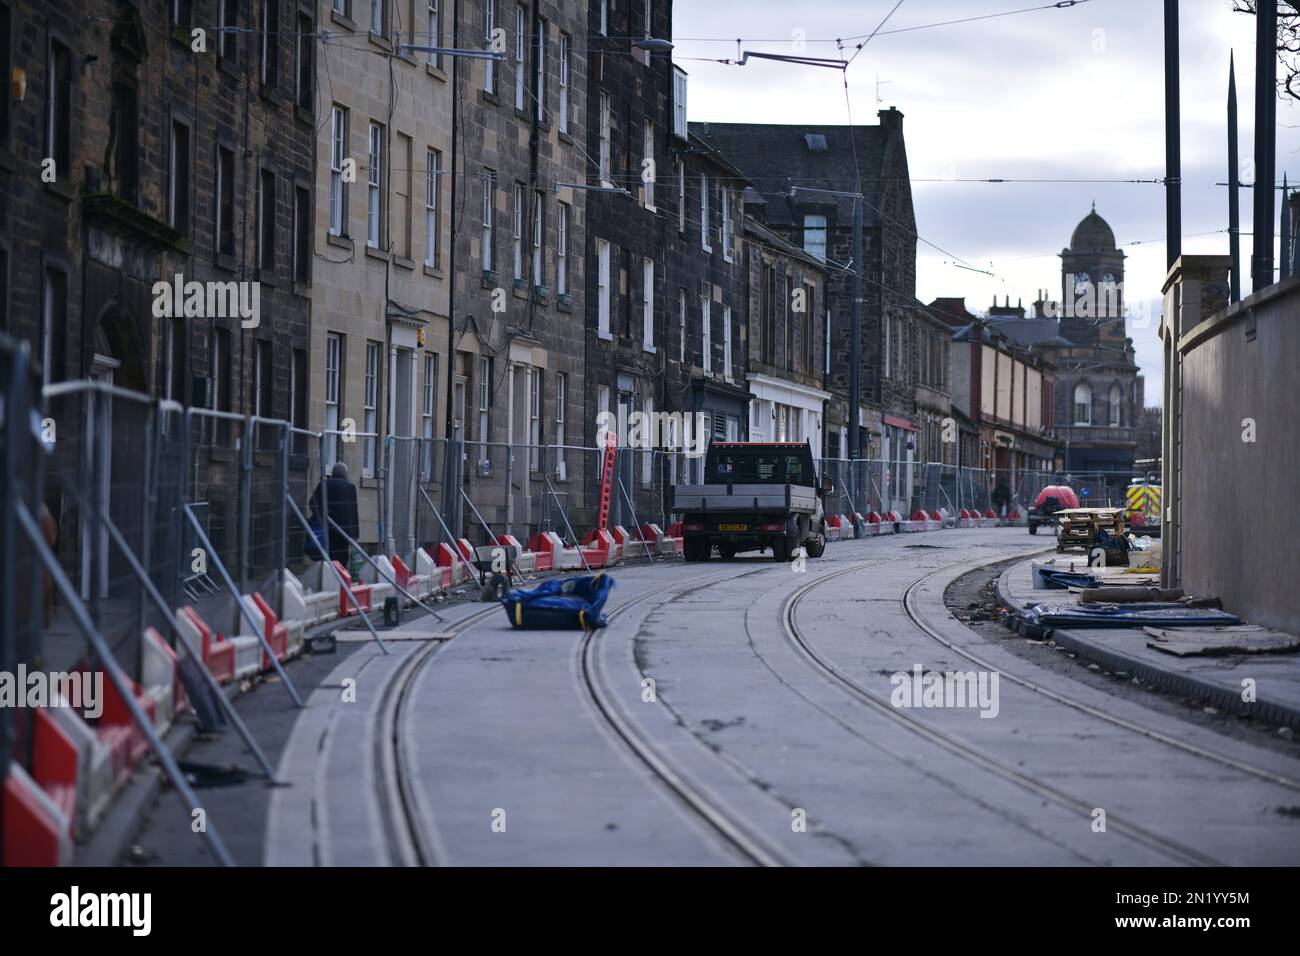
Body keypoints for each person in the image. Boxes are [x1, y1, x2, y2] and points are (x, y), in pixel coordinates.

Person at [309, 462, 360, 566]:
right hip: (344, 532)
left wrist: (323, 514)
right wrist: (355, 533)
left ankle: (328, 577)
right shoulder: (350, 487)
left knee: (328, 556)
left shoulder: (324, 485)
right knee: (342, 558)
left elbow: (312, 504)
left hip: (327, 528)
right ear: (345, 474)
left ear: (333, 473)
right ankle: (341, 577)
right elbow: (354, 511)